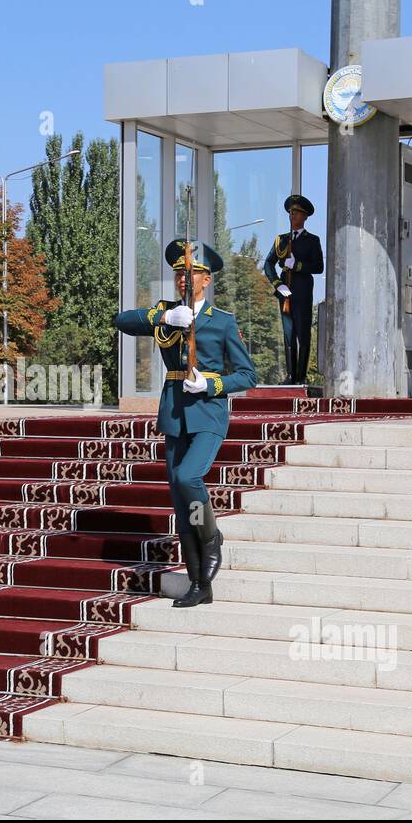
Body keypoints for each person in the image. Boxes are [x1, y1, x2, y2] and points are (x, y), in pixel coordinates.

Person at [114, 240, 258, 608]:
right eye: (178, 273)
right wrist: (163, 318)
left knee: (188, 478)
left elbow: (248, 374)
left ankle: (212, 538)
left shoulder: (222, 321)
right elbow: (123, 321)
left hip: (208, 412)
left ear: (206, 280)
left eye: (190, 273)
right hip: (175, 412)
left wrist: (212, 383)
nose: (182, 279)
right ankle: (199, 583)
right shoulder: (167, 314)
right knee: (181, 503)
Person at [262, 194, 324, 385]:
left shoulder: (312, 240)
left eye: (296, 213)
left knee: (303, 334)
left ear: (305, 217)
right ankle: (290, 376)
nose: (293, 216)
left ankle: (301, 376)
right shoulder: (281, 240)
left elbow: (318, 267)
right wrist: (277, 284)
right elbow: (268, 264)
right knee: (288, 333)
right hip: (285, 292)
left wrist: (298, 265)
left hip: (303, 292)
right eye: (291, 213)